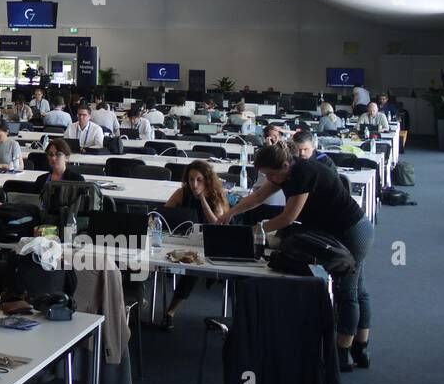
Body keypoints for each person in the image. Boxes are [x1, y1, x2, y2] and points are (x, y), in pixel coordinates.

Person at [226, 141, 373, 369]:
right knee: (358, 289)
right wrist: (229, 213)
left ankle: (342, 354)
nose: (270, 179)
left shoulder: (302, 173)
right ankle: (361, 349)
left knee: (348, 291)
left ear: (285, 165)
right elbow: (256, 197)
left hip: (353, 230)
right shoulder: (285, 173)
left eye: (271, 174)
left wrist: (257, 229)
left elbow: (288, 218)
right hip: (343, 230)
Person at [158, 161, 230, 330]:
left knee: (191, 270)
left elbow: (217, 224)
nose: (194, 184)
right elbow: (163, 215)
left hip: (207, 245)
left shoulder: (216, 195)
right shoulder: (182, 193)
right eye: (191, 180)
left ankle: (170, 311)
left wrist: (203, 199)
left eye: (199, 180)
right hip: (180, 242)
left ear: (207, 180)